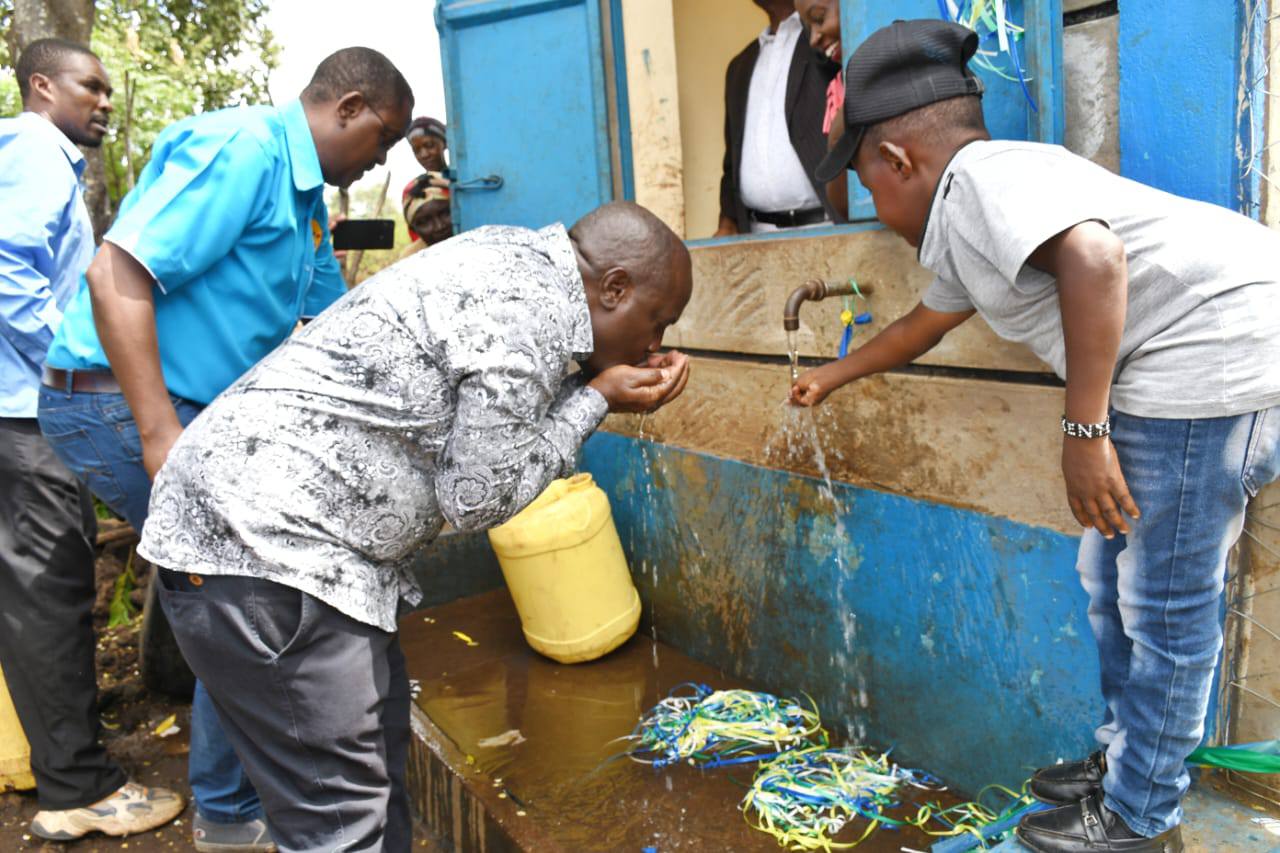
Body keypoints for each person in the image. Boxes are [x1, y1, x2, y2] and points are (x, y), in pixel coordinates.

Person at [796, 19, 1280, 853]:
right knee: (1110, 577)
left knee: (1163, 602)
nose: (873, 205)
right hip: (1177, 368)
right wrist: (832, 375)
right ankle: (1128, 759)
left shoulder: (986, 182)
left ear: (900, 161)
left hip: (1211, 359)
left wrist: (1084, 430)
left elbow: (1095, 258)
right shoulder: (965, 220)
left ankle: (1140, 811)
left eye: (867, 183)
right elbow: (921, 325)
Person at [134, 201, 692, 850]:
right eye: (658, 321)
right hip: (273, 552)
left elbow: (492, 425)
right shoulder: (530, 316)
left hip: (271, 539)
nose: (655, 345)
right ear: (614, 287)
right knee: (342, 821)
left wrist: (592, 387)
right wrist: (597, 399)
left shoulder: (515, 258)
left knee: (367, 768)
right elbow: (476, 497)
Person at [36, 46, 414, 852]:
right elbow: (114, 275)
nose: (380, 159)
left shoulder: (307, 204)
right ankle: (232, 812)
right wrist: (159, 436)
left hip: (196, 413)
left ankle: (231, 807)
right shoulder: (245, 149)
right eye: (382, 138)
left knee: (243, 592)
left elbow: (343, 331)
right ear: (348, 107)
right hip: (115, 402)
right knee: (248, 594)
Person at [0, 38, 185, 843]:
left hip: (19, 405)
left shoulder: (42, 160)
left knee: (38, 590)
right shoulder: (33, 151)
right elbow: (7, 274)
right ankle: (77, 788)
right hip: (22, 410)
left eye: (109, 90)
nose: (104, 101)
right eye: (91, 86)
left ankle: (65, 753)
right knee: (48, 593)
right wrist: (72, 362)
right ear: (42, 85)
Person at [715, 0, 841, 237]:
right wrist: (727, 223)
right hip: (757, 234)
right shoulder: (740, 66)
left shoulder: (826, 41)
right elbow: (732, 162)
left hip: (828, 227)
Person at [794, 0, 847, 220]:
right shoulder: (838, 90)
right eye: (809, 28)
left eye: (819, 18)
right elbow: (843, 206)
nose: (813, 38)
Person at [402, 116, 450, 244]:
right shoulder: (413, 189)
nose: (424, 154)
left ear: (444, 143)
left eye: (429, 145)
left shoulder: (463, 181)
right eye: (417, 150)